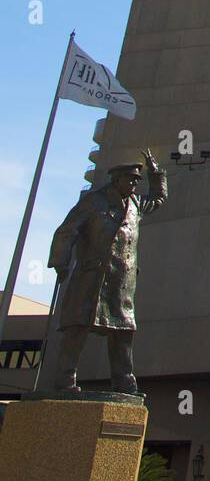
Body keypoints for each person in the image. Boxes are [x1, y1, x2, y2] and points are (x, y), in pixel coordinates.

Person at [47, 149, 166, 394]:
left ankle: (124, 382)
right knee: (77, 327)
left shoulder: (135, 204)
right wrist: (61, 261)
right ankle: (64, 381)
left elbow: (157, 198)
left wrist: (157, 173)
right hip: (93, 276)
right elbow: (67, 230)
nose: (134, 183)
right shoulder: (94, 201)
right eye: (131, 179)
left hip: (122, 280)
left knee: (123, 331)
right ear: (117, 179)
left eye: (137, 180)